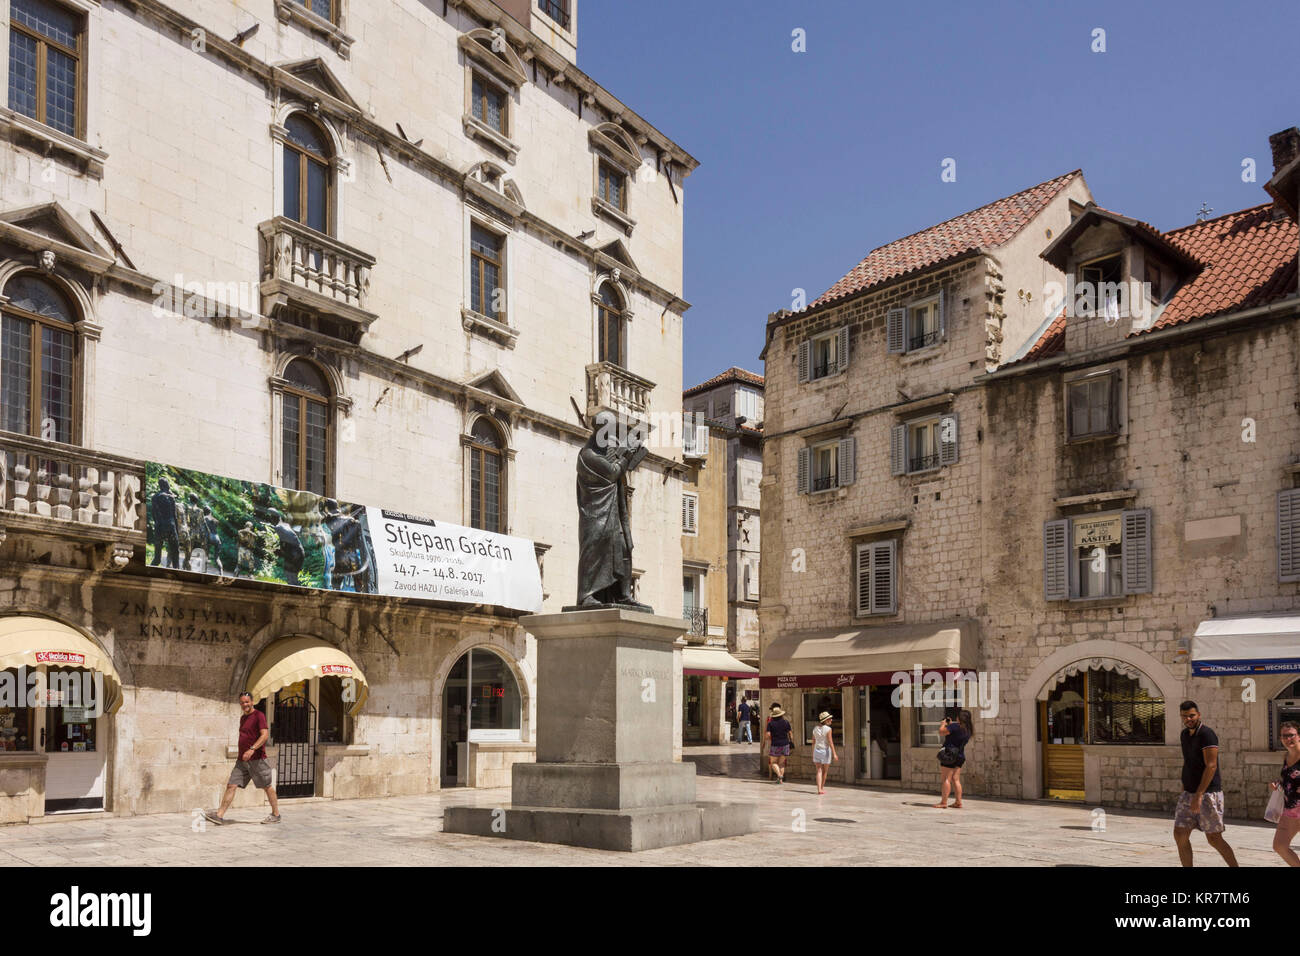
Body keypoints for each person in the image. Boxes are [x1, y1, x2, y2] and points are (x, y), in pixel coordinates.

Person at [1174, 700, 1238, 866]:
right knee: (1180, 834)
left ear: (1199, 715)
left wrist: (1199, 794)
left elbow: (1211, 765)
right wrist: (1185, 786)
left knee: (1214, 839)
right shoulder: (1184, 735)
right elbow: (1189, 762)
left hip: (1207, 793)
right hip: (1188, 793)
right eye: (1184, 716)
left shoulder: (1207, 734)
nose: (1188, 719)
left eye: (1191, 715)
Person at [204, 692, 280, 825]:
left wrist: (252, 749)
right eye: (242, 702)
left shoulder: (259, 716)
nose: (245, 705)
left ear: (252, 702)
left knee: (267, 786)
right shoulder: (243, 718)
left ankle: (276, 814)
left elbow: (264, 735)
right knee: (231, 785)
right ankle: (219, 815)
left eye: (247, 702)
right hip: (242, 760)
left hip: (258, 760)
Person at [1270, 720, 1300, 865]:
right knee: (1280, 846)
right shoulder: (1286, 757)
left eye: (1291, 735)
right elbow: (1288, 779)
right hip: (1291, 809)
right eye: (1284, 736)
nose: (1288, 739)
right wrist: (1278, 783)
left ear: (1299, 736)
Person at [933, 710, 973, 809]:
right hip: (959, 756)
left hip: (949, 755)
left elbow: (941, 732)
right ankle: (958, 802)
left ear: (960, 718)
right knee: (956, 779)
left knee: (946, 779)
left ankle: (943, 802)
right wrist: (950, 725)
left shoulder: (955, 727)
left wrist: (943, 724)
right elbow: (955, 734)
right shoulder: (968, 730)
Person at [149, 477, 182, 568]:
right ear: (167, 485)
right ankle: (177, 570)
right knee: (175, 553)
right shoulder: (171, 497)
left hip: (159, 526)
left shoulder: (155, 497)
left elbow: (154, 513)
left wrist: (157, 524)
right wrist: (177, 531)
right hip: (171, 526)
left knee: (157, 558)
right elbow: (174, 515)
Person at [266, 508, 305, 583]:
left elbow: (274, 529)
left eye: (271, 518)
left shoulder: (279, 527)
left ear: (274, 518)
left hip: (295, 555)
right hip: (299, 553)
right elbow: (286, 542)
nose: (271, 520)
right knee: (292, 577)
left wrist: (279, 552)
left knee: (290, 576)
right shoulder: (285, 525)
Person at [765, 703, 792, 784]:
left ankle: (780, 776)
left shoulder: (771, 723)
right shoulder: (786, 722)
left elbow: (768, 735)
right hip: (785, 744)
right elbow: (790, 733)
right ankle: (780, 780)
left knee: (773, 763)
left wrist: (769, 739)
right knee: (781, 763)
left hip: (775, 744)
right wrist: (791, 741)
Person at [812, 710, 838, 794]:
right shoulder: (828, 729)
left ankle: (819, 789)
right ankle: (821, 788)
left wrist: (813, 753)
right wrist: (834, 753)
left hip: (817, 750)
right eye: (829, 719)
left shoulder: (815, 728)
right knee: (825, 771)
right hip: (825, 751)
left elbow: (813, 742)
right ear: (825, 720)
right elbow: (830, 742)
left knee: (819, 770)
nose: (831, 720)